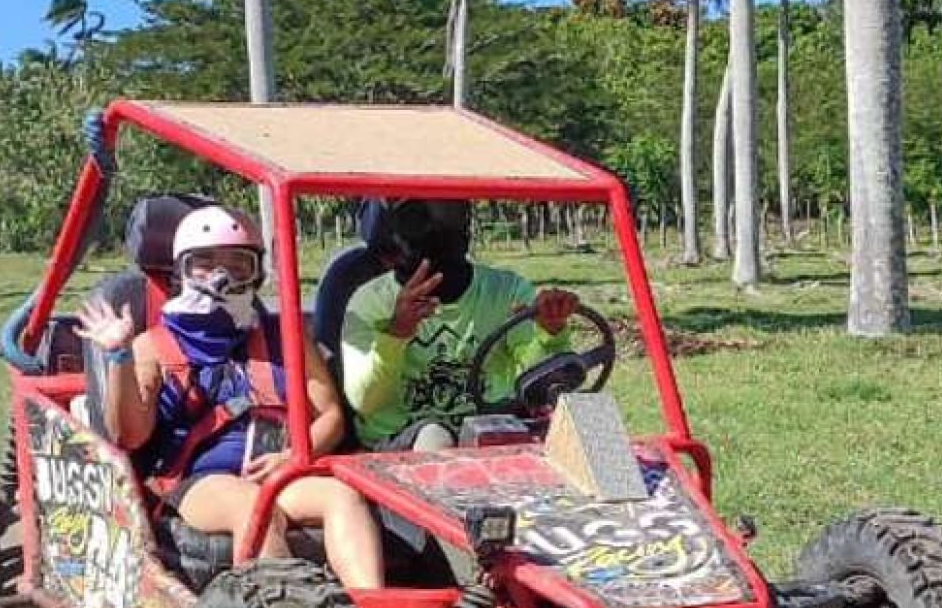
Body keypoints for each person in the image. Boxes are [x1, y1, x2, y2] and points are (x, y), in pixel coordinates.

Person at [76, 204, 384, 586]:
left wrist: (292, 459)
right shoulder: (151, 347)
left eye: (238, 264)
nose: (221, 276)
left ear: (256, 272)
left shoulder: (283, 336)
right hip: (201, 482)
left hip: (280, 473)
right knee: (254, 508)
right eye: (204, 263)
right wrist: (119, 354)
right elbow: (129, 436)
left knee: (341, 496)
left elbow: (331, 418)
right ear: (182, 271)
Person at [340, 198, 579, 450]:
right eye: (421, 220)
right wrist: (396, 333)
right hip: (400, 439)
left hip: (491, 431)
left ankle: (618, 484)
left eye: (451, 214)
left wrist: (550, 331)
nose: (437, 232)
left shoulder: (507, 291)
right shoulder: (371, 301)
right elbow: (364, 400)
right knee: (435, 436)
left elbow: (540, 386)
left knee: (589, 420)